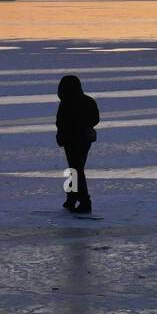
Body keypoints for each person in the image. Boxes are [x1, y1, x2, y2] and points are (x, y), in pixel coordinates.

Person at [55, 75, 100, 215]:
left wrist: (63, 135)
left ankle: (84, 201)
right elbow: (95, 119)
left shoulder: (66, 103)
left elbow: (61, 123)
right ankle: (72, 197)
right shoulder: (88, 101)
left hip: (72, 140)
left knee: (76, 170)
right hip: (84, 140)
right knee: (76, 169)